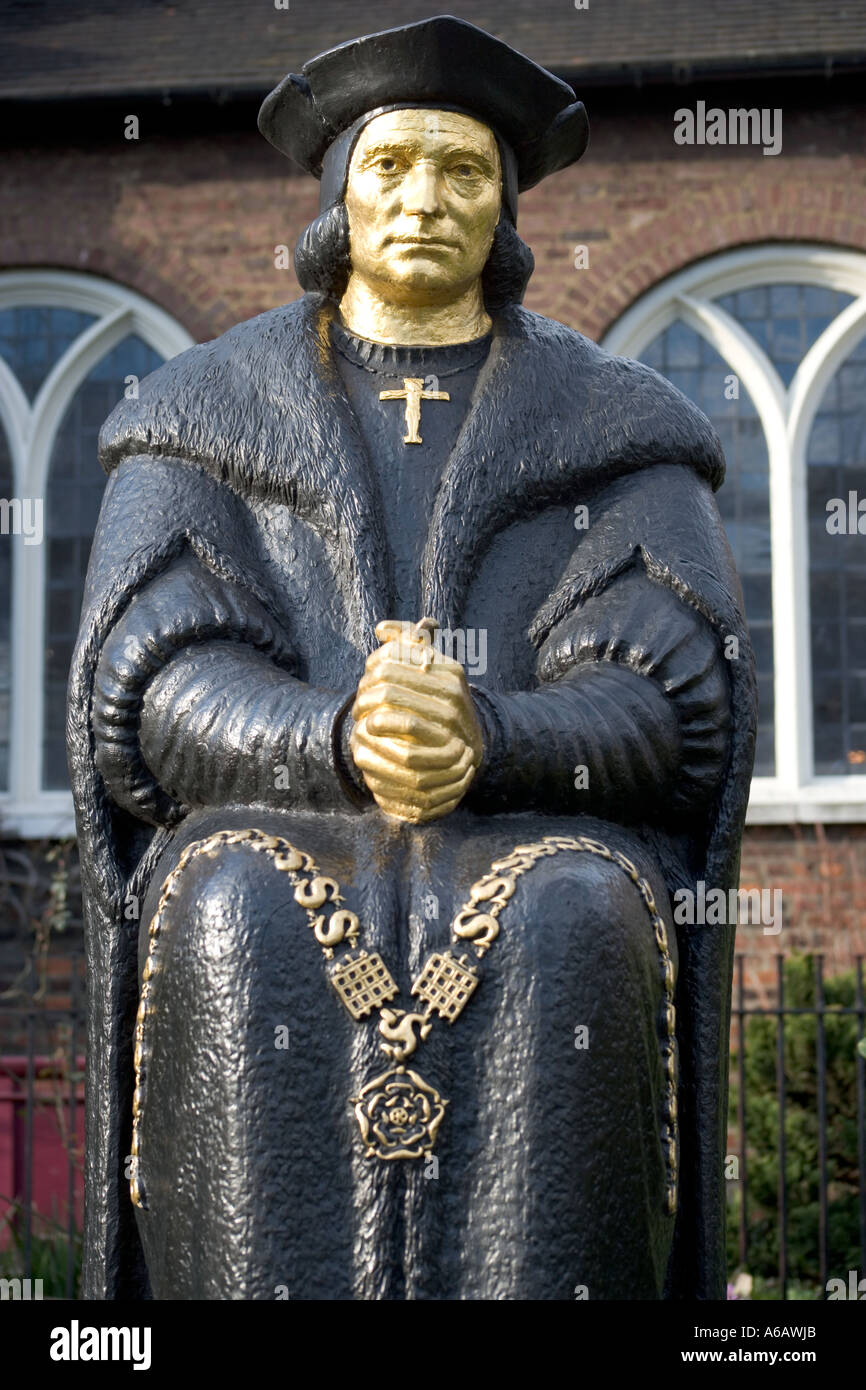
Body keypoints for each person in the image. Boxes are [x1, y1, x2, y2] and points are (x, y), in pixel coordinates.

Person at [70, 15, 756, 1300]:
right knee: (232, 898)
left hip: (541, 829)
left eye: (462, 171)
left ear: (503, 208)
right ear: (339, 195)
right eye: (391, 166)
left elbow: (675, 696)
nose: (425, 201)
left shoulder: (615, 428)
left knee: (575, 906)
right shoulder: (201, 413)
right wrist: (332, 736)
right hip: (273, 827)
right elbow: (149, 678)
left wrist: (493, 737)